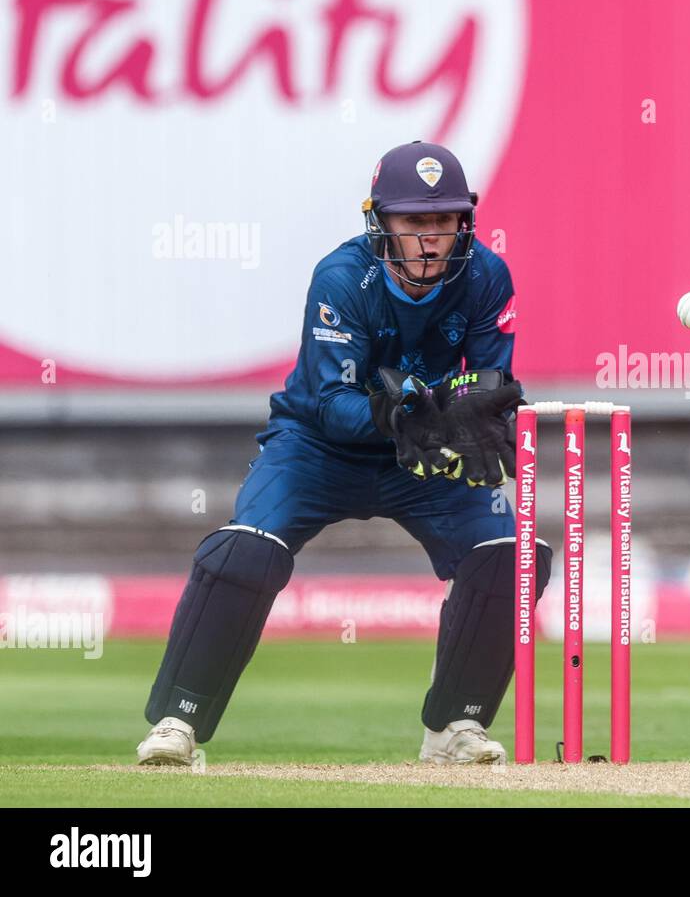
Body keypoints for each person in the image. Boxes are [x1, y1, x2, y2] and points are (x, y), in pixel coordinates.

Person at [135, 141, 550, 766]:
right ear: (381, 222)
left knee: (507, 559)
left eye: (443, 221)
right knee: (244, 550)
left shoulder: (488, 276)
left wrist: (486, 424)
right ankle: (178, 722)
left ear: (464, 221)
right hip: (317, 449)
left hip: (422, 461)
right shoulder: (340, 277)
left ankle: (455, 729)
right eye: (414, 222)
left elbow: (492, 390)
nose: (430, 239)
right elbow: (333, 403)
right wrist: (413, 413)